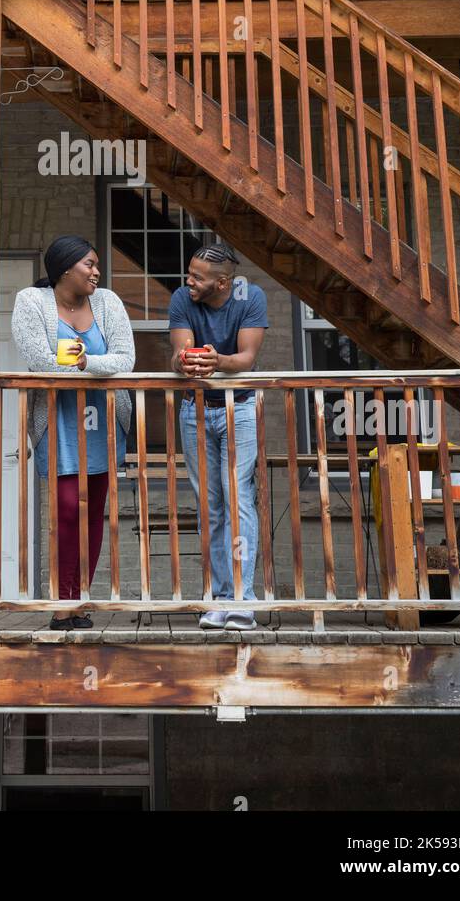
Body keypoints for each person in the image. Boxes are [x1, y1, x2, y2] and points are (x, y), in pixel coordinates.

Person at [11, 235, 135, 629]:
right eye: (90, 265)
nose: (97, 272)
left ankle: (78, 600)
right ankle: (62, 601)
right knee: (67, 510)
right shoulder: (31, 302)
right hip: (58, 418)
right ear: (65, 268)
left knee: (92, 513)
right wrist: (86, 367)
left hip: (104, 421)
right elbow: (39, 360)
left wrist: (86, 365)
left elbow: (126, 360)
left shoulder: (108, 302)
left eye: (97, 265)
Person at [169, 243, 268, 630]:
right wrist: (183, 360)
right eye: (189, 272)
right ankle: (218, 597)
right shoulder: (182, 298)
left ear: (223, 282)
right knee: (209, 507)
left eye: (197, 277)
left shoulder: (251, 296)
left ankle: (244, 600)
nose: (188, 281)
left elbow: (246, 359)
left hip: (238, 408)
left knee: (237, 498)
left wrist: (219, 361)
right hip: (194, 410)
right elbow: (178, 352)